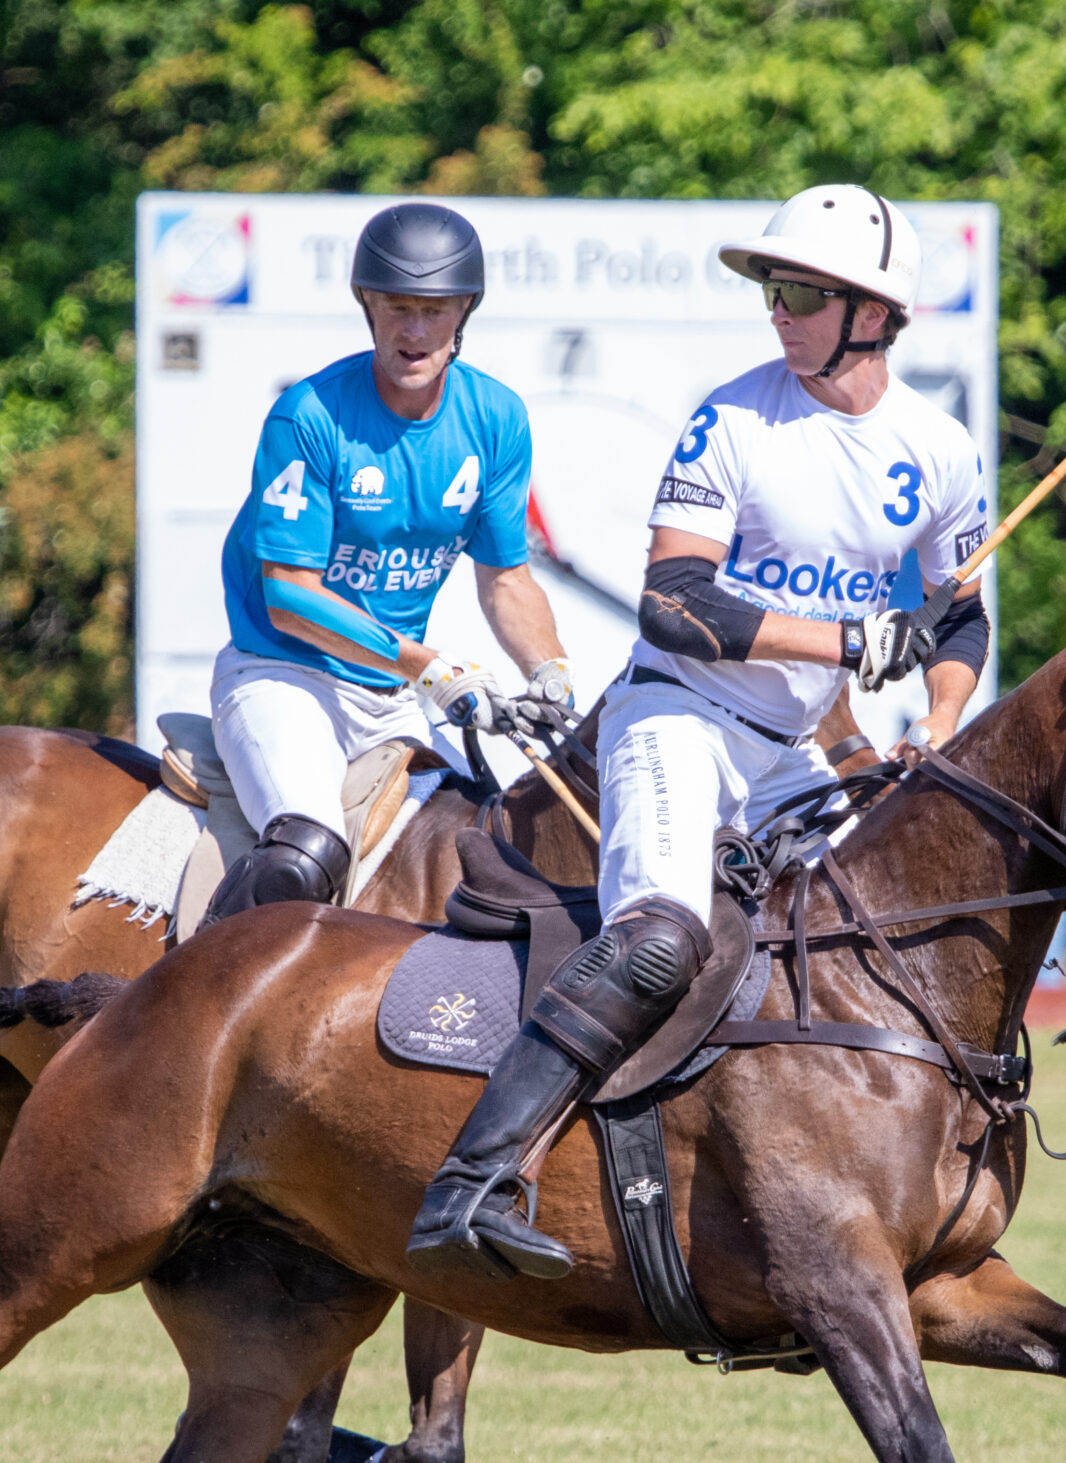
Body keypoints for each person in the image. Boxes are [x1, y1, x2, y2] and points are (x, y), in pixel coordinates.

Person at [408, 184, 991, 1282]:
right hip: (677, 715)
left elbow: (959, 611)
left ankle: (819, 1194)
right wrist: (843, 642)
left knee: (866, 948)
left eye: (802, 292)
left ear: (874, 313)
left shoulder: (939, 451)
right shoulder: (735, 419)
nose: (777, 309)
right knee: (661, 936)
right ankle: (472, 1179)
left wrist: (942, 722)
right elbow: (672, 601)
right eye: (772, 289)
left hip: (788, 749)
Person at [203, 202, 577, 921]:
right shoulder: (308, 415)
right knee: (305, 851)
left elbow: (506, 580)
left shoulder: (496, 418)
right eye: (397, 308)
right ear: (366, 307)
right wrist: (429, 665)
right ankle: (183, 1012)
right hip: (283, 673)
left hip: (394, 693)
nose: (414, 331)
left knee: (498, 848)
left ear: (464, 312)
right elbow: (288, 595)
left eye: (434, 310)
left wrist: (550, 670)